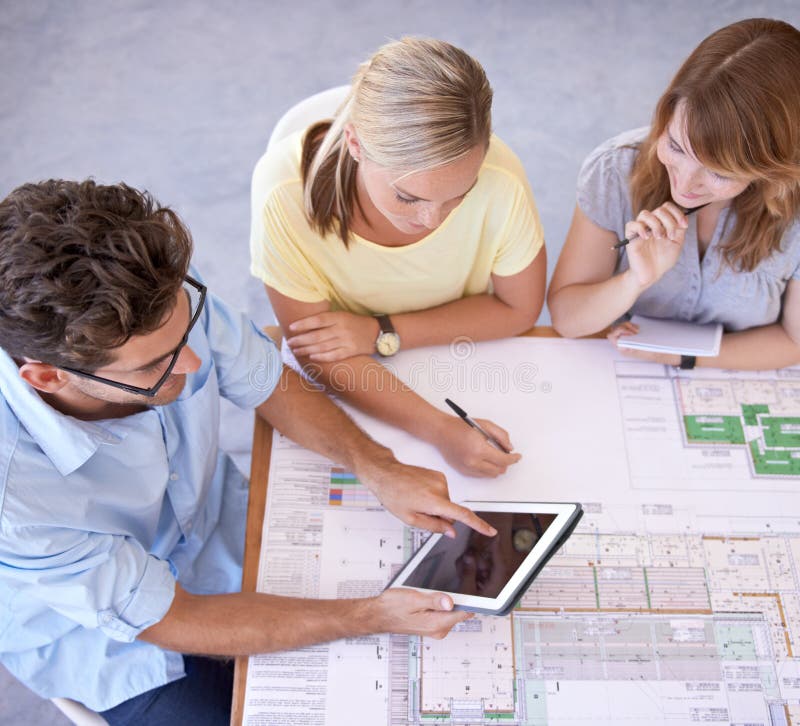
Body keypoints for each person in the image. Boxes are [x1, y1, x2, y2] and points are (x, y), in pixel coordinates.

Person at [0, 180, 497, 723]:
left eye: (187, 327)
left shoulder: (155, 300)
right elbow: (174, 617)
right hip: (112, 646)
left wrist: (379, 468)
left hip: (219, 535)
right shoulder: (14, 500)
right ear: (46, 376)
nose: (192, 366)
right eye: (154, 367)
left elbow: (267, 381)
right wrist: (367, 616)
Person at [250, 38, 547, 477]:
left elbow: (520, 308)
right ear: (354, 143)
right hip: (371, 381)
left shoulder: (502, 181)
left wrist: (381, 332)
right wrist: (440, 430)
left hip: (448, 359)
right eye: (408, 197)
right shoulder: (282, 194)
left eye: (458, 196)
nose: (431, 220)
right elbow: (317, 350)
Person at [548, 18, 800, 371]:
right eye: (676, 146)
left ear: (771, 166)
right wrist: (634, 280)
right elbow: (567, 320)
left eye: (719, 172)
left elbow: (794, 340)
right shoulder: (614, 171)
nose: (684, 184)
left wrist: (682, 356)